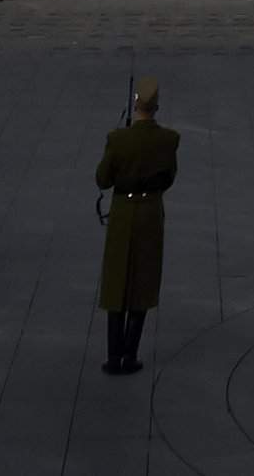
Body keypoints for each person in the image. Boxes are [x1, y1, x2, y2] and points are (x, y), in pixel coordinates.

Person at [95, 77, 180, 375]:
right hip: (149, 212)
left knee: (117, 279)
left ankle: (113, 355)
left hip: (122, 213)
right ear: (156, 107)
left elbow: (102, 179)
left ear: (135, 105)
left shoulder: (118, 139)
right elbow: (169, 178)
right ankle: (130, 354)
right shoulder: (169, 139)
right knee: (143, 280)